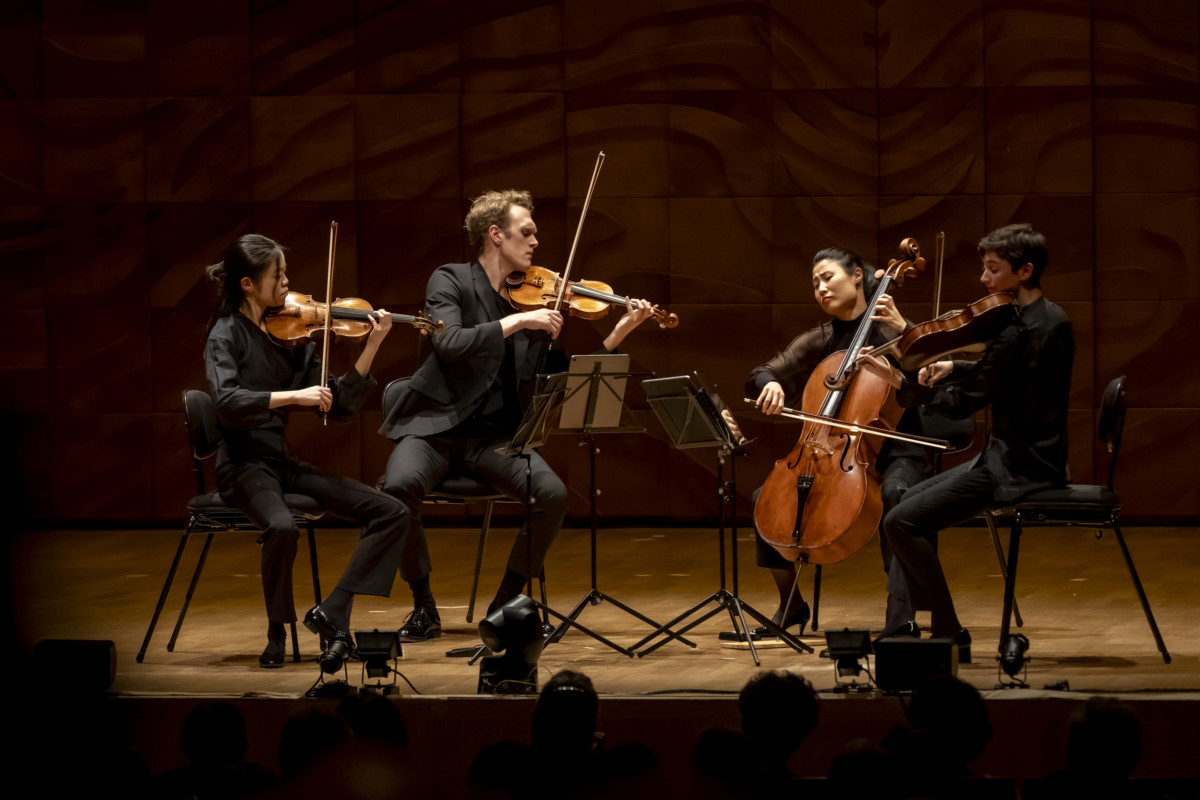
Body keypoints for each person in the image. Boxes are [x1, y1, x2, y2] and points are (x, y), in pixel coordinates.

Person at [379, 189, 655, 641]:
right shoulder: (449, 280)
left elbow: (555, 379)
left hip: (495, 440)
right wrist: (519, 324)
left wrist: (617, 334)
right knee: (397, 487)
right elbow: (448, 343)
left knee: (552, 494)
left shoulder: (531, 302)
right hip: (433, 432)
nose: (535, 243)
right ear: (495, 235)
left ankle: (505, 604)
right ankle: (424, 607)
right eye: (526, 232)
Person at [204, 234, 409, 667]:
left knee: (392, 511)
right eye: (277, 275)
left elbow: (340, 406)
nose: (286, 282)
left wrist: (372, 345)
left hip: (282, 462)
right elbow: (227, 402)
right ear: (247, 285)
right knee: (282, 528)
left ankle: (333, 610)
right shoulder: (226, 334)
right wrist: (292, 397)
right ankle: (277, 631)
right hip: (242, 465)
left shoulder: (294, 337)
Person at [878, 223, 1074, 661]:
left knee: (900, 522)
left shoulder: (1023, 332)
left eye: (993, 270)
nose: (984, 281)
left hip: (1018, 468)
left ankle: (947, 630)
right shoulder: (1048, 320)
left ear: (1024, 272)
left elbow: (966, 403)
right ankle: (903, 626)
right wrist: (954, 363)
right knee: (903, 506)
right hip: (1021, 455)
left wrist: (912, 389)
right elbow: (1008, 376)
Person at [736, 247, 932, 638]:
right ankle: (790, 603)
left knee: (896, 495)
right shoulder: (822, 337)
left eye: (828, 277)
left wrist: (901, 335)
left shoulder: (892, 326)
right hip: (835, 451)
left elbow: (929, 380)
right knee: (765, 497)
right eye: (815, 284)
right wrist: (770, 383)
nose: (821, 288)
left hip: (897, 448)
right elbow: (762, 372)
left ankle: (901, 612)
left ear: (858, 275)